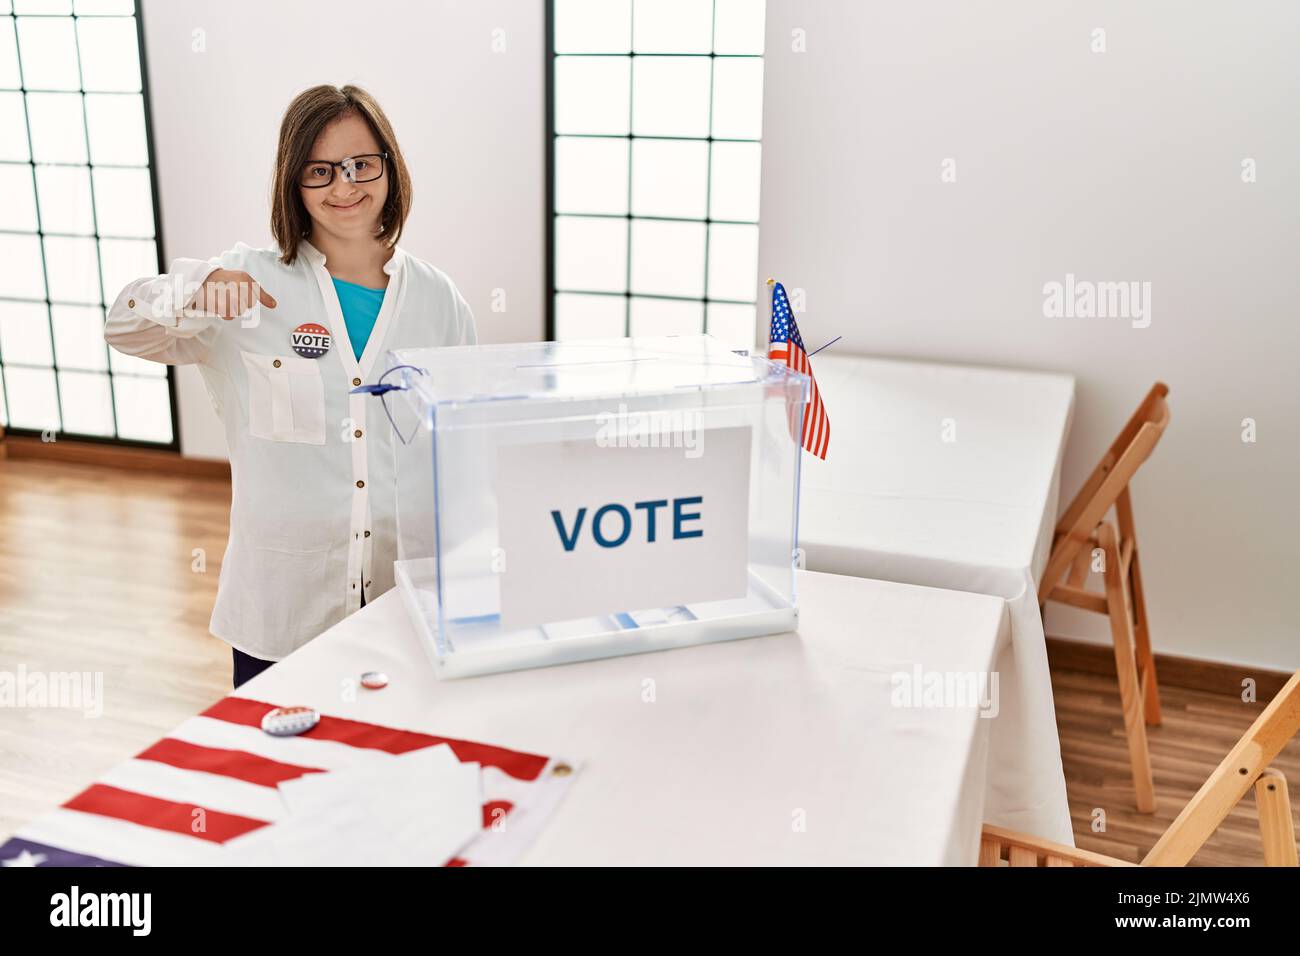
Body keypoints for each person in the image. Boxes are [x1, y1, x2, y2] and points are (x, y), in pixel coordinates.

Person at [105, 84, 476, 688]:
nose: (345, 186)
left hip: (403, 604)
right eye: (320, 171)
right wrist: (192, 290)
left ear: (390, 167)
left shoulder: (440, 300)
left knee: (390, 766)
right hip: (280, 612)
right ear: (292, 182)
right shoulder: (244, 283)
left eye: (362, 164)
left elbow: (459, 447)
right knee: (280, 770)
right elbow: (123, 327)